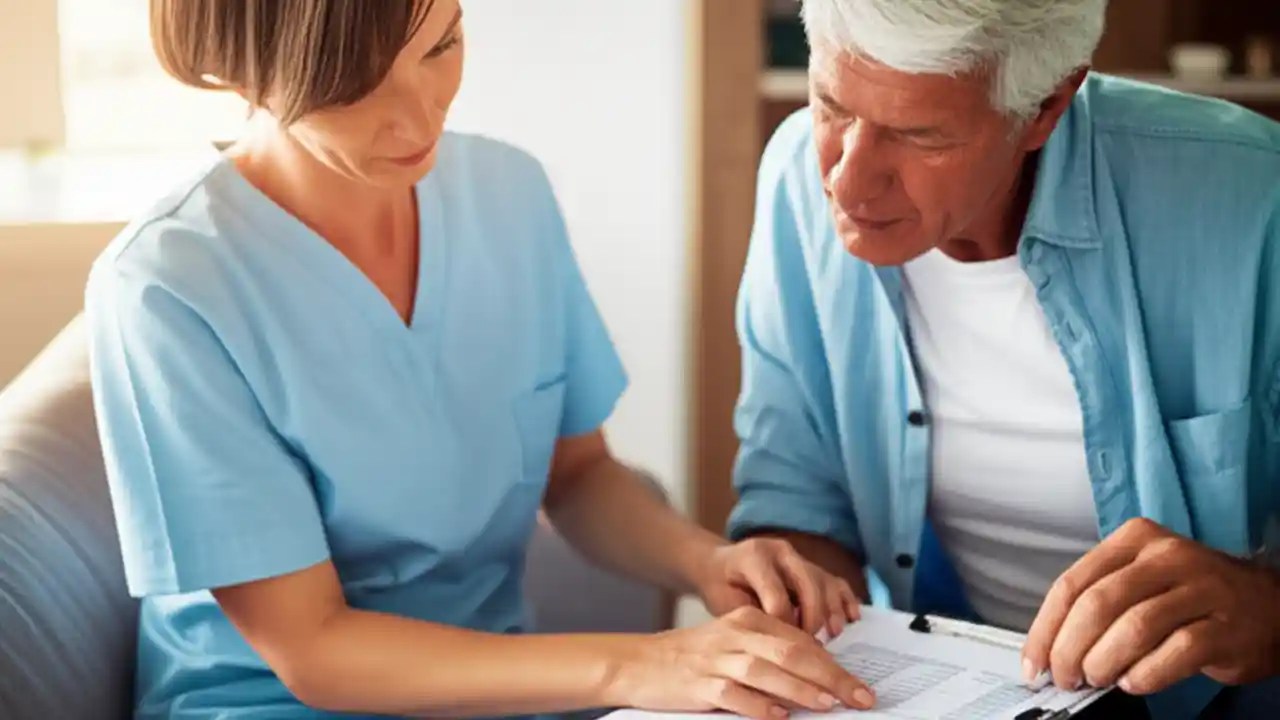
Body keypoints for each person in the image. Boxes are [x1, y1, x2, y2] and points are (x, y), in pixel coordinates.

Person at [85, 2, 873, 718]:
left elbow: (578, 475)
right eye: (354, 87)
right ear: (250, 70)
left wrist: (706, 561)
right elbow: (313, 652)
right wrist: (641, 666)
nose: (418, 116)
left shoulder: (507, 192)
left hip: (505, 699)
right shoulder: (169, 288)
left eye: (441, 47)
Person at [724, 0, 1280, 718]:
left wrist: (1265, 608)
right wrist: (792, 592)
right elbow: (797, 501)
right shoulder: (798, 169)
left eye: (919, 135)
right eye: (832, 104)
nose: (848, 182)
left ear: (1046, 107)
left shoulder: (1254, 199)